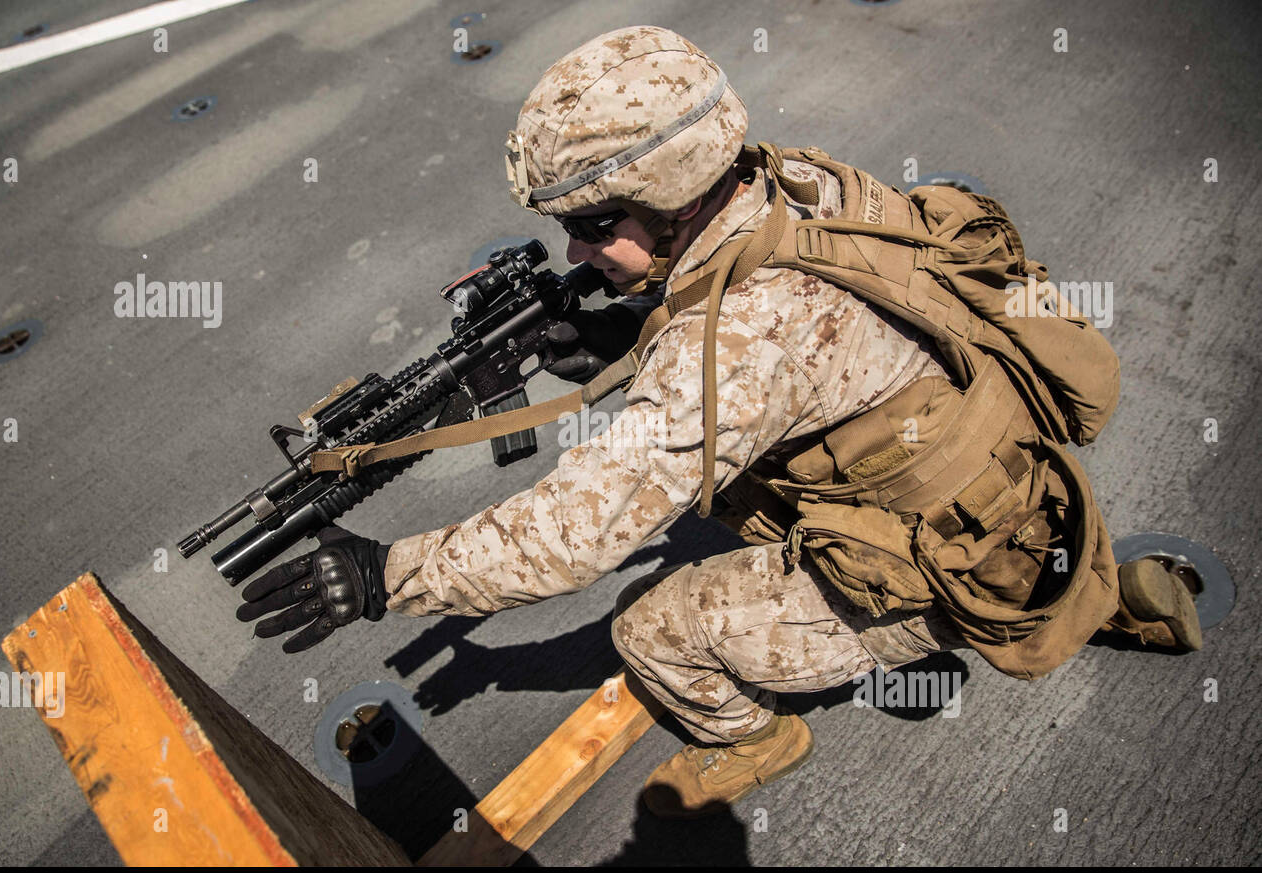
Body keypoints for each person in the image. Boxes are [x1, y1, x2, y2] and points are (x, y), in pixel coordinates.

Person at [236, 25, 1202, 820]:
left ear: (672, 194)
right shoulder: (800, 182)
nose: (572, 248)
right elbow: (781, 332)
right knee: (754, 489)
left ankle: (762, 739)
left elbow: (574, 535)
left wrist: (383, 576)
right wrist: (624, 325)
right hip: (1011, 470)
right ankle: (1101, 586)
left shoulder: (742, 350)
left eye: (594, 220)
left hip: (944, 562)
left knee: (654, 629)